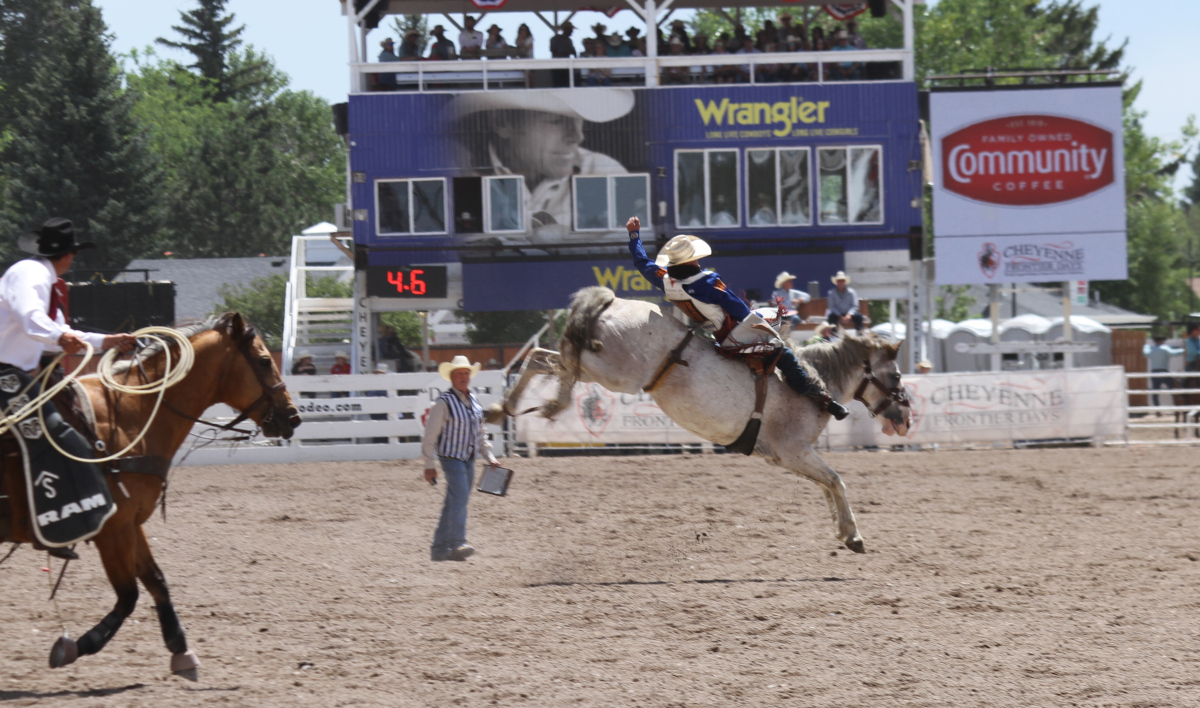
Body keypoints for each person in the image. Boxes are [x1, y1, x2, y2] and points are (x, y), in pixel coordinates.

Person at [1, 218, 138, 559]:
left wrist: (107, 341)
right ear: (68, 255)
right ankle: (50, 525)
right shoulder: (32, 275)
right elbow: (31, 318)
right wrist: (60, 336)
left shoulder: (39, 276)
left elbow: (57, 332)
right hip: (6, 374)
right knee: (53, 434)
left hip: (14, 374)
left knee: (60, 427)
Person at [626, 216, 848, 420]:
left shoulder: (665, 281)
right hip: (735, 336)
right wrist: (762, 322)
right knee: (784, 353)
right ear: (691, 260)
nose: (699, 261)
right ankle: (817, 395)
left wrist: (634, 235)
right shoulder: (707, 282)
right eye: (696, 258)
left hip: (711, 335)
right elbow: (739, 310)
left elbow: (641, 262)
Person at [447, 88, 634, 243]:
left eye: (579, 122)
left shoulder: (600, 170)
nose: (577, 137)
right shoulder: (456, 171)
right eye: (557, 122)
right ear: (502, 123)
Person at [421, 355, 499, 562]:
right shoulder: (443, 403)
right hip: (451, 458)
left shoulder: (474, 400)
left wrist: (490, 456)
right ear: (452, 377)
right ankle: (457, 542)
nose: (464, 377)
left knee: (454, 501)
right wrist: (429, 464)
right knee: (460, 497)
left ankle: (439, 548)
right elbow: (430, 435)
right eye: (459, 374)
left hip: (468, 458)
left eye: (466, 373)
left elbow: (480, 433)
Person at [1144, 335, 1182, 407]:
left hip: (1154, 372)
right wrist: (1184, 350)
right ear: (1162, 341)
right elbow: (1174, 353)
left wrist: (1146, 346)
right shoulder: (1165, 348)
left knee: (1155, 392)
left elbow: (1146, 353)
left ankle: (1157, 408)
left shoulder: (1152, 349)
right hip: (1164, 371)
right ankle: (1177, 406)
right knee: (1173, 388)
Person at [549, 21, 577, 87]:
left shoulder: (569, 40)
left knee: (566, 84)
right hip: (556, 66)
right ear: (566, 29)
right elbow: (553, 50)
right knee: (558, 85)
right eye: (570, 29)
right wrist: (564, 54)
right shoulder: (555, 39)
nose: (572, 31)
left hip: (566, 67)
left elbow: (574, 52)